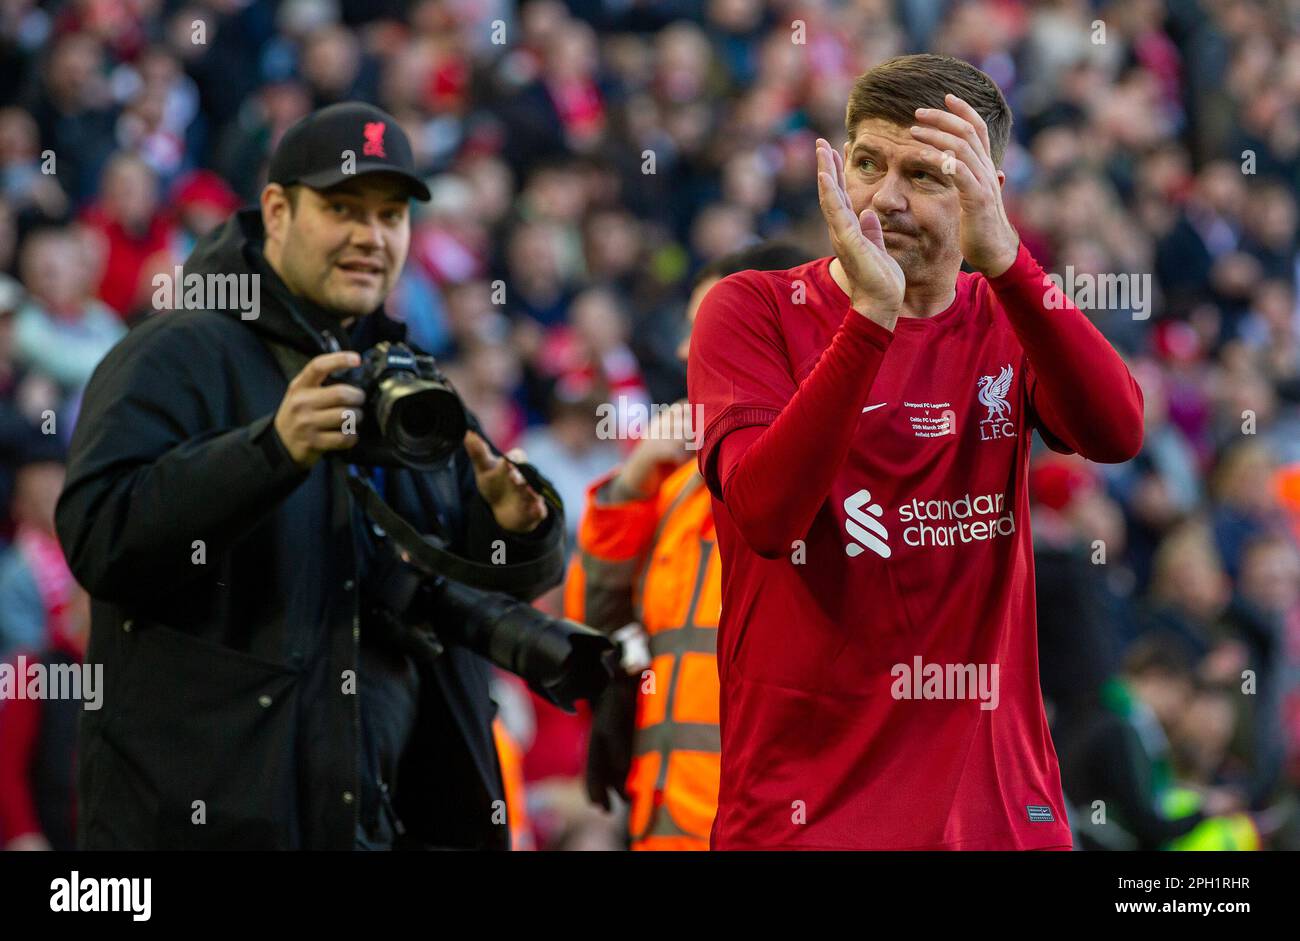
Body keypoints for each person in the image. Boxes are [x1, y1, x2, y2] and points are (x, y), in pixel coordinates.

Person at [54, 102, 565, 850]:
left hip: (383, 824)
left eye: (391, 215)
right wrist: (270, 451)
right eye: (342, 208)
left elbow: (480, 583)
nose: (371, 236)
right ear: (277, 209)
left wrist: (514, 532)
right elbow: (100, 537)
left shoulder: (410, 380)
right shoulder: (176, 351)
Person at [687, 54, 1145, 850]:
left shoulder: (1005, 314)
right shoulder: (751, 309)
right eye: (867, 163)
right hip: (812, 815)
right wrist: (871, 317)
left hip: (999, 811)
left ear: (985, 193)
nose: (884, 198)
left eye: (926, 175)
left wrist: (1006, 260)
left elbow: (1117, 430)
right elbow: (766, 514)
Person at [565, 243, 807, 850]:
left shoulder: (829, 481)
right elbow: (595, 625)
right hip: (665, 825)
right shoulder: (671, 484)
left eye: (707, 331)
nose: (682, 352)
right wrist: (629, 486)